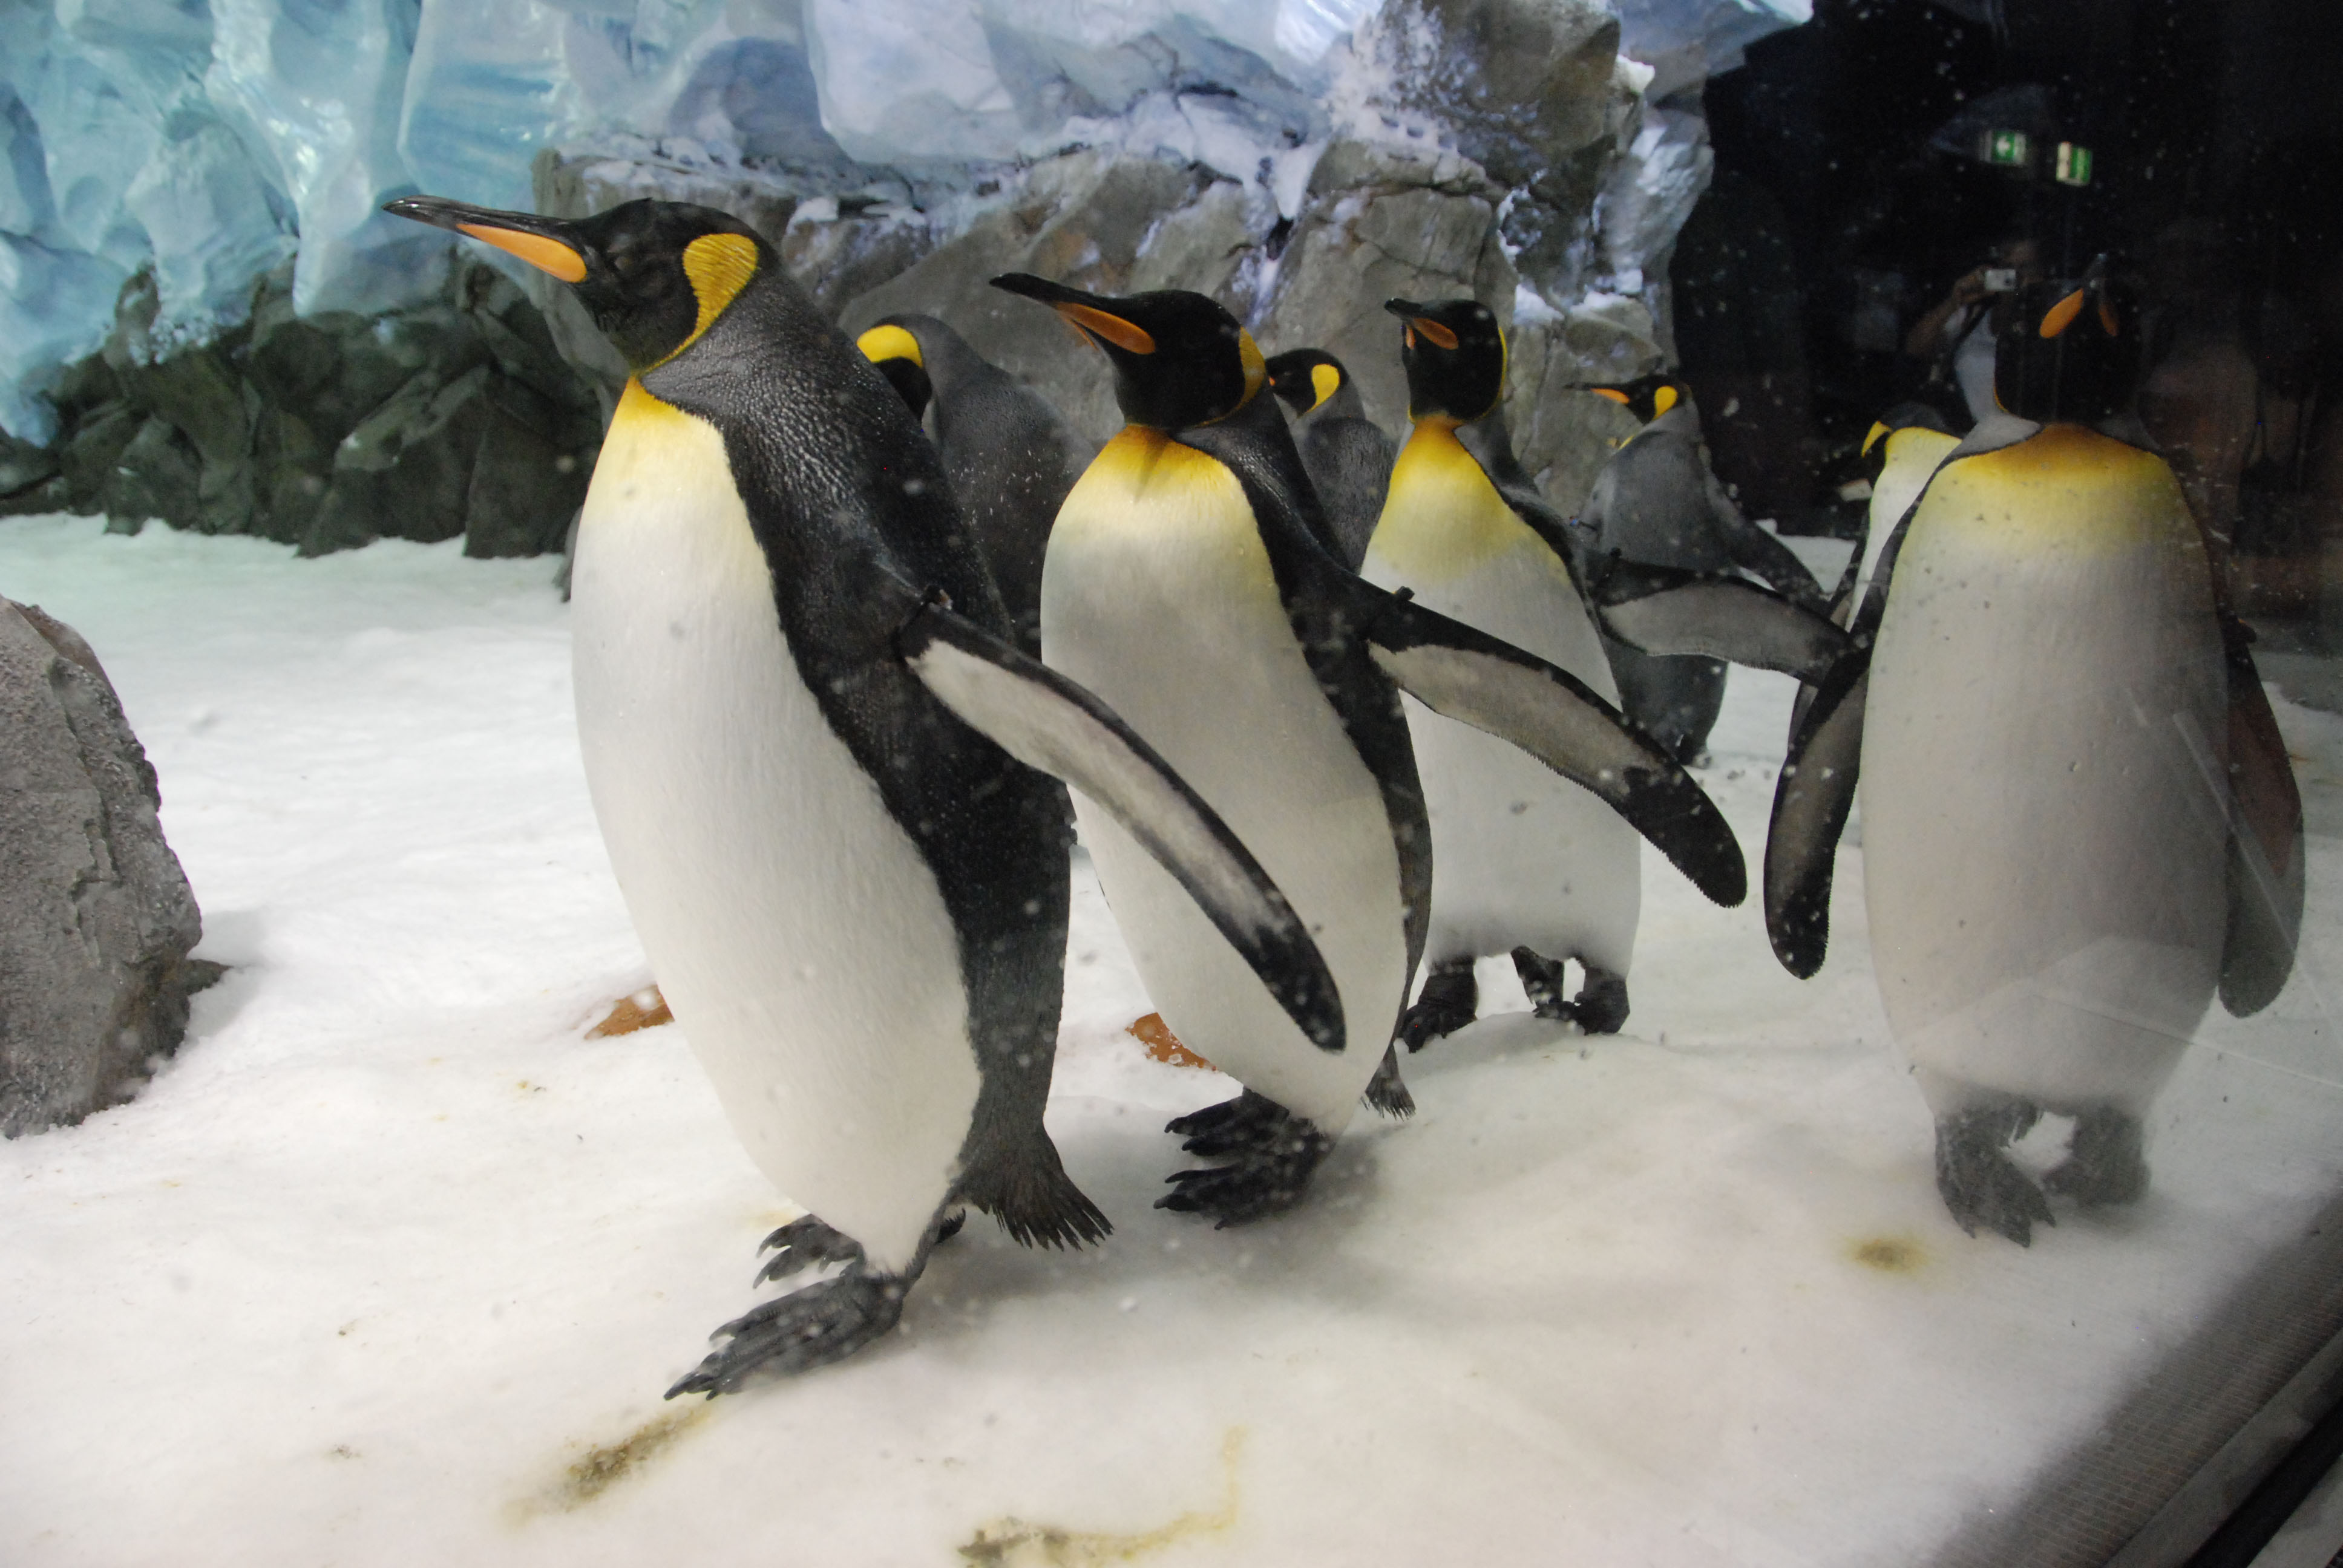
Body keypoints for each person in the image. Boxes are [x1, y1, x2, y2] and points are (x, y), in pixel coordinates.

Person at [1906, 237, 2045, 426]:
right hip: (1969, 442)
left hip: (2029, 447)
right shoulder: (1972, 318)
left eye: (2026, 268)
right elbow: (1916, 347)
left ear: (2043, 274)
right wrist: (1955, 301)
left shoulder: (2051, 324)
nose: (2016, 276)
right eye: (2008, 267)